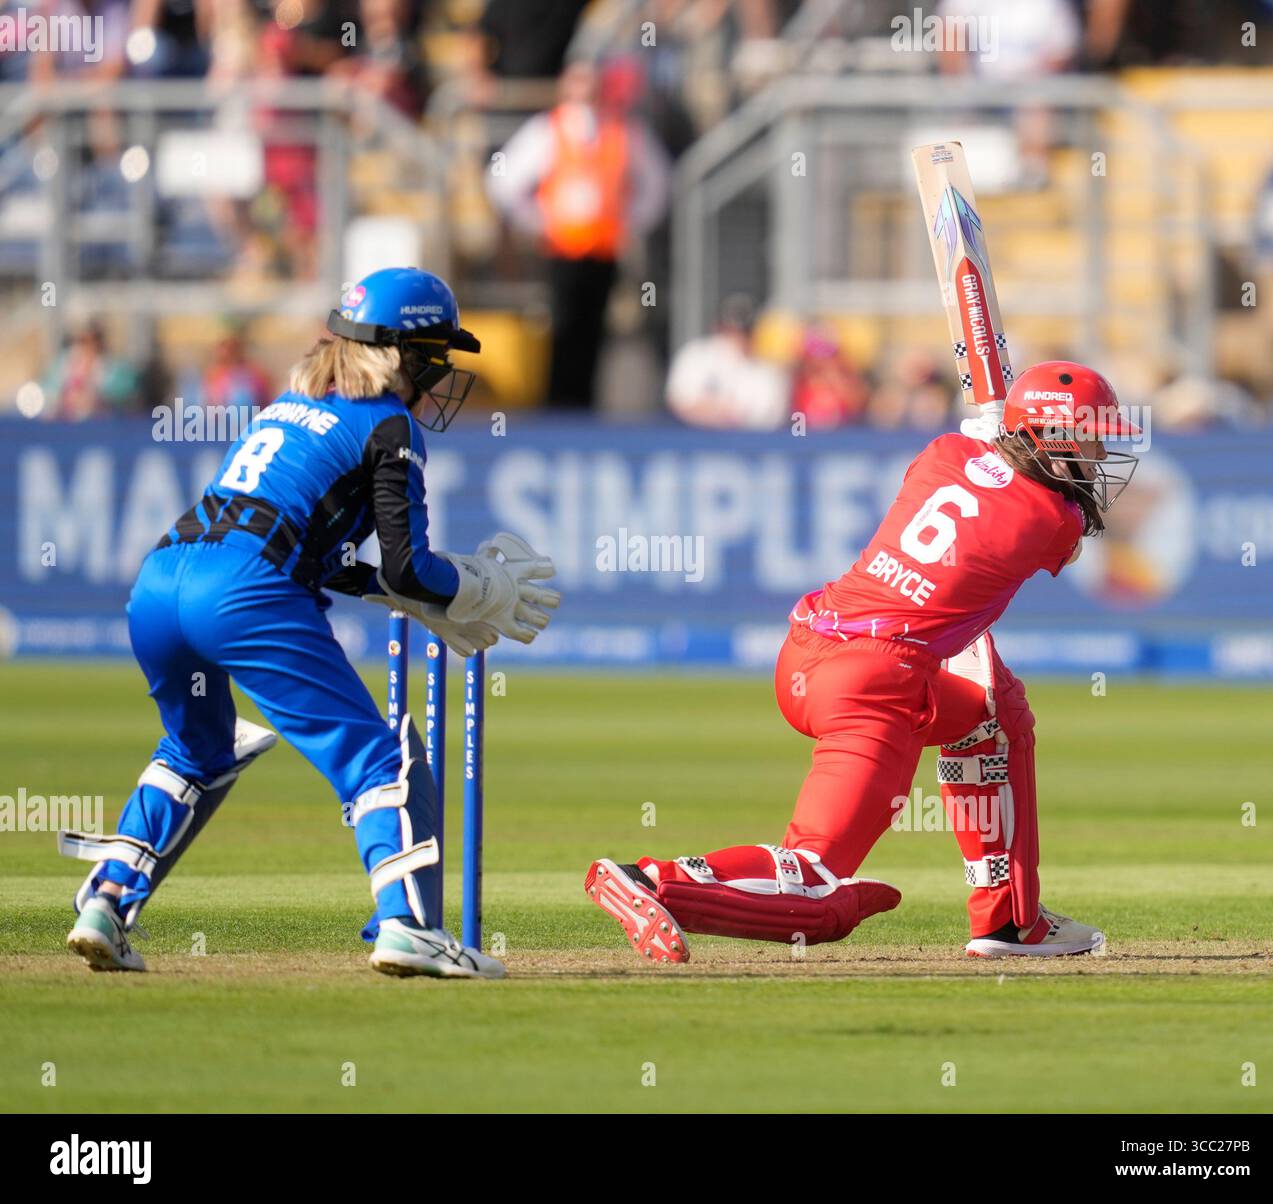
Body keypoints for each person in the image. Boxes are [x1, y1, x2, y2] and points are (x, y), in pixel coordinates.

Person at [59, 268, 561, 979]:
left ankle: (105, 904)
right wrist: (470, 585)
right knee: (377, 764)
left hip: (159, 586)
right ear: (401, 352)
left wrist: (399, 592)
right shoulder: (391, 423)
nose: (441, 374)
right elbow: (410, 565)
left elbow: (306, 547)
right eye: (436, 356)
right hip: (243, 596)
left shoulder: (287, 407)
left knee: (195, 751)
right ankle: (407, 927)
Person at [587, 362, 1140, 963]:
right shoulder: (1049, 521)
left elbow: (984, 482)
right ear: (1052, 443)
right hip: (874, 683)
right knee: (818, 886)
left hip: (809, 650)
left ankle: (1010, 920)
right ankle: (651, 879)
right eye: (1090, 440)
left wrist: (991, 445)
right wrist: (1006, 454)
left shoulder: (944, 451)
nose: (1100, 456)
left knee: (995, 715)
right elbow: (1064, 522)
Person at [486, 58, 671, 409]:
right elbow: (503, 181)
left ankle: (584, 405)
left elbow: (657, 183)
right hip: (561, 249)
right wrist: (539, 221)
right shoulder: (548, 130)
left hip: (603, 249)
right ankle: (557, 403)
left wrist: (628, 221)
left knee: (595, 329)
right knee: (561, 328)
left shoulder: (622, 131)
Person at [665, 293, 788, 429]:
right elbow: (679, 401)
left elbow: (768, 416)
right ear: (717, 327)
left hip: (747, 445)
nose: (735, 338)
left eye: (743, 333)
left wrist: (727, 412)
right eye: (729, 330)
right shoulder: (696, 354)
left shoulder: (766, 368)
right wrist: (715, 412)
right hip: (694, 442)